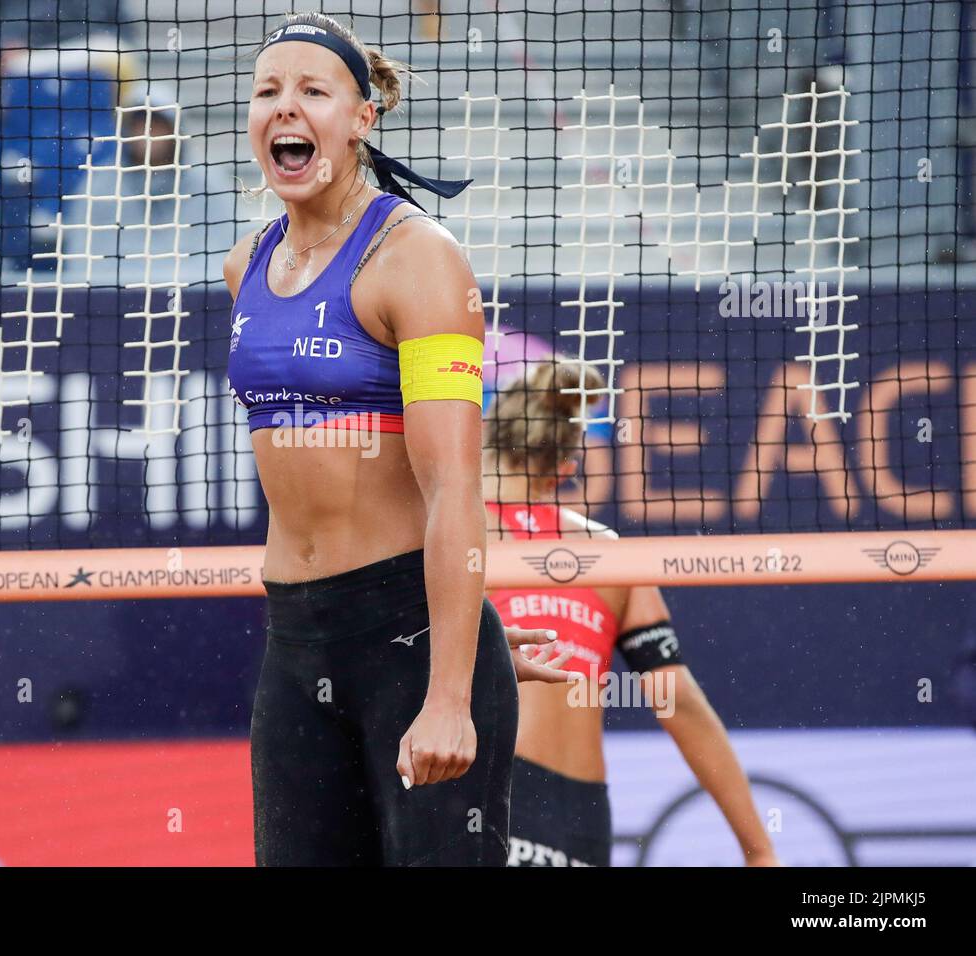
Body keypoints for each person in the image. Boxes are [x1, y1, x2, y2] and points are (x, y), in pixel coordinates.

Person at [224, 12, 567, 867]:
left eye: (312, 91)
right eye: (268, 91)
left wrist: (454, 680)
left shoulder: (417, 257)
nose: (284, 108)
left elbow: (455, 485)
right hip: (295, 641)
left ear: (363, 118)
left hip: (408, 636)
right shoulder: (246, 265)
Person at [483, 357, 781, 867]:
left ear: (486, 441)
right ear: (568, 469)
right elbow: (680, 703)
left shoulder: (445, 538)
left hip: (484, 794)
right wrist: (760, 851)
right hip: (580, 816)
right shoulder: (607, 553)